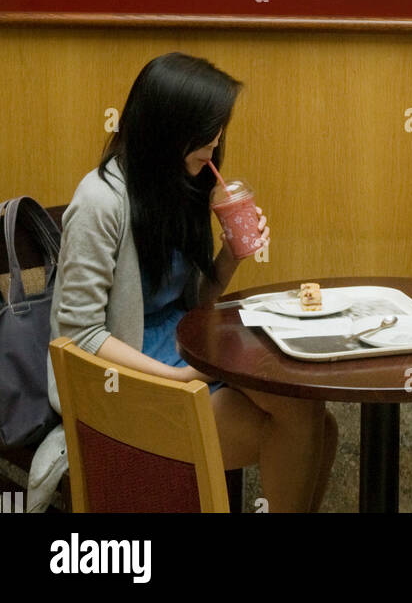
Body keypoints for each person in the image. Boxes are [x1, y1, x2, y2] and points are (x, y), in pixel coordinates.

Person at [47, 52, 337, 512]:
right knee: (296, 426)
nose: (217, 140)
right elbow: (79, 336)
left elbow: (193, 301)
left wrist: (232, 255)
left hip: (185, 348)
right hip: (122, 380)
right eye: (207, 130)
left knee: (315, 417)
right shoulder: (99, 204)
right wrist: (177, 377)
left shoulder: (182, 182)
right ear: (168, 129)